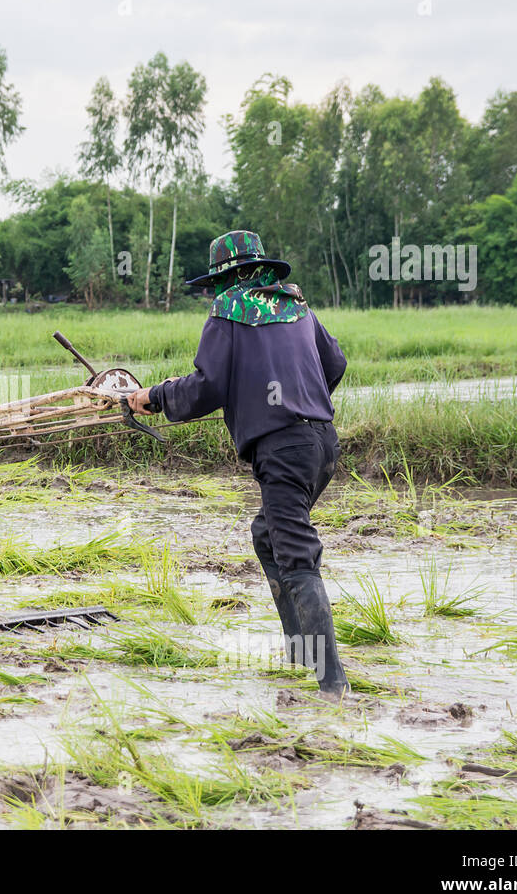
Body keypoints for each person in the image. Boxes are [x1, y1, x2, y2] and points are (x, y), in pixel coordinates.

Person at [127, 230, 350, 696]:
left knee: (296, 557)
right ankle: (301, 651)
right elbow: (336, 364)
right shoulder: (298, 307)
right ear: (262, 269)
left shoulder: (227, 313)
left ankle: (333, 688)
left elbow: (206, 388)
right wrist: (301, 400)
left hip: (283, 452)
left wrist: (154, 396)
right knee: (267, 532)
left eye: (215, 284)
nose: (212, 293)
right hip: (322, 444)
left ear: (227, 277)